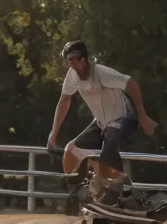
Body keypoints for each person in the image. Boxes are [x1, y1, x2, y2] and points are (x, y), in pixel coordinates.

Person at [47, 40, 158, 207]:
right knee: (72, 151)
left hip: (124, 118)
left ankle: (118, 195)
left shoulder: (102, 73)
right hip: (101, 123)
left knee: (109, 147)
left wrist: (142, 117)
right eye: (66, 60)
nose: (68, 64)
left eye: (70, 59)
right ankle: (80, 193)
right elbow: (64, 102)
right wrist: (53, 134)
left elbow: (131, 84)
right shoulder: (72, 76)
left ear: (82, 60)